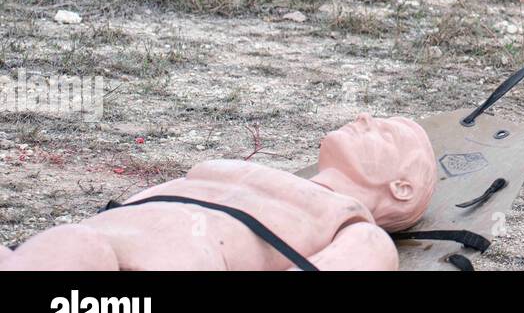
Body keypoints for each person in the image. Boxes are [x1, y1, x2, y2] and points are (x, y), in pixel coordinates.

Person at [0, 115, 436, 270]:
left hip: (176, 266)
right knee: (74, 244)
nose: (364, 117)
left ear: (401, 188)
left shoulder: (356, 229)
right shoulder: (245, 172)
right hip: (94, 241)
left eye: (386, 133)